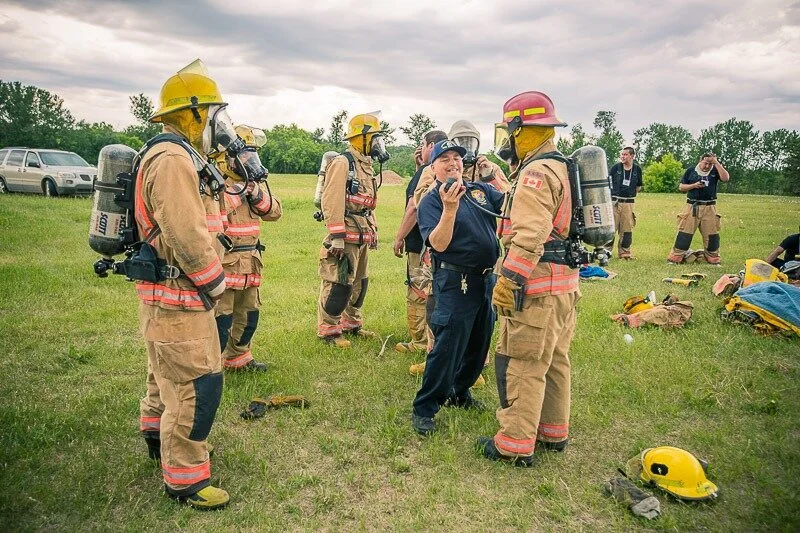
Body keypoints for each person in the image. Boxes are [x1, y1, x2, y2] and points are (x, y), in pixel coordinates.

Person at [136, 60, 231, 508]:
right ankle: (185, 479)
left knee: (164, 378)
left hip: (163, 298)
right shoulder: (173, 158)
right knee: (196, 385)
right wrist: (215, 283)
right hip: (181, 297)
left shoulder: (163, 153)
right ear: (192, 114)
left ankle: (156, 439)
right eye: (212, 114)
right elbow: (186, 234)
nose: (216, 124)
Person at [476, 91, 579, 467]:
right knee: (554, 359)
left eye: (510, 130)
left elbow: (529, 235)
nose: (507, 139)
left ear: (519, 128)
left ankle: (514, 442)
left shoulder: (536, 173)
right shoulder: (560, 166)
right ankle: (553, 431)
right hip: (564, 284)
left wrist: (509, 281)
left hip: (536, 287)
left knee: (522, 362)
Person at [410, 140, 503, 436]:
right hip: (455, 282)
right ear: (433, 166)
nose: (453, 163)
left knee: (478, 344)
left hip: (486, 280)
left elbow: (512, 205)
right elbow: (437, 244)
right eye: (445, 158)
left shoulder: (479, 191)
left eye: (457, 158)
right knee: (448, 347)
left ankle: (459, 392)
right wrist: (449, 209)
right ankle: (425, 407)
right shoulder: (432, 201)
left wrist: (493, 176)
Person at [317, 112, 389, 347]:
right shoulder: (342, 162)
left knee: (359, 282)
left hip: (362, 233)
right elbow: (332, 200)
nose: (378, 143)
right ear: (361, 138)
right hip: (346, 233)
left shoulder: (365, 166)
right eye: (375, 137)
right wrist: (336, 236)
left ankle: (352, 324)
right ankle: (328, 330)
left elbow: (368, 203)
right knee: (339, 282)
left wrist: (374, 229)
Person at [215, 125, 282, 371]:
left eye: (251, 156)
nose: (249, 162)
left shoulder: (251, 186)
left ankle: (240, 359)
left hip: (251, 263)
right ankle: (212, 366)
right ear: (226, 160)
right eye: (243, 157)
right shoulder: (213, 186)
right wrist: (234, 194)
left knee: (248, 316)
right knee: (221, 319)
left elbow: (275, 213)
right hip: (226, 264)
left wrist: (254, 193)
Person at [393, 130, 448, 353]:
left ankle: (419, 342)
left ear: (431, 146)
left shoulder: (429, 170)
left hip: (421, 243)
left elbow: (414, 207)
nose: (419, 149)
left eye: (422, 144)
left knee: (418, 292)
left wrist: (399, 237)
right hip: (436, 242)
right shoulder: (429, 170)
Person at [667, 153, 730, 265]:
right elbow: (681, 187)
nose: (707, 166)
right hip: (692, 206)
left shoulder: (715, 170)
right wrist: (694, 185)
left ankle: (713, 259)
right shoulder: (691, 170)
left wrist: (716, 163)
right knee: (684, 233)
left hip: (710, 207)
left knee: (712, 235)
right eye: (705, 163)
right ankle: (675, 258)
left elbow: (726, 178)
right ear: (700, 160)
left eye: (710, 164)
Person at [608, 146, 643, 259]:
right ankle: (605, 252)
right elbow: (607, 183)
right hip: (614, 202)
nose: (622, 156)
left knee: (626, 229)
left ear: (632, 156)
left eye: (625, 154)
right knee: (611, 228)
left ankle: (624, 253)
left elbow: (639, 187)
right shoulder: (615, 168)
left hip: (629, 203)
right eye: (622, 154)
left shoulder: (637, 170)